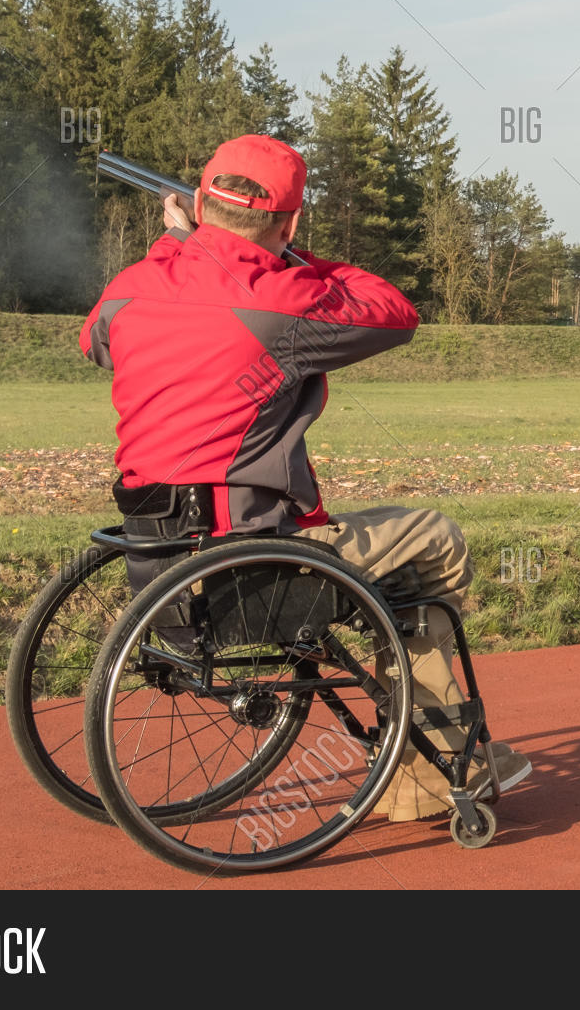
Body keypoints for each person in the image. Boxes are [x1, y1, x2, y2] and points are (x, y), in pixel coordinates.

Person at [79, 133, 530, 821]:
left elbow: (98, 342)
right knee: (435, 540)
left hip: (162, 563)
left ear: (199, 203)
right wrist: (293, 257)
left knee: (396, 559)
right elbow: (393, 311)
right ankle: (428, 774)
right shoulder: (283, 301)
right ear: (288, 223)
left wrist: (177, 246)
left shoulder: (129, 289)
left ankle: (424, 749)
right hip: (253, 566)